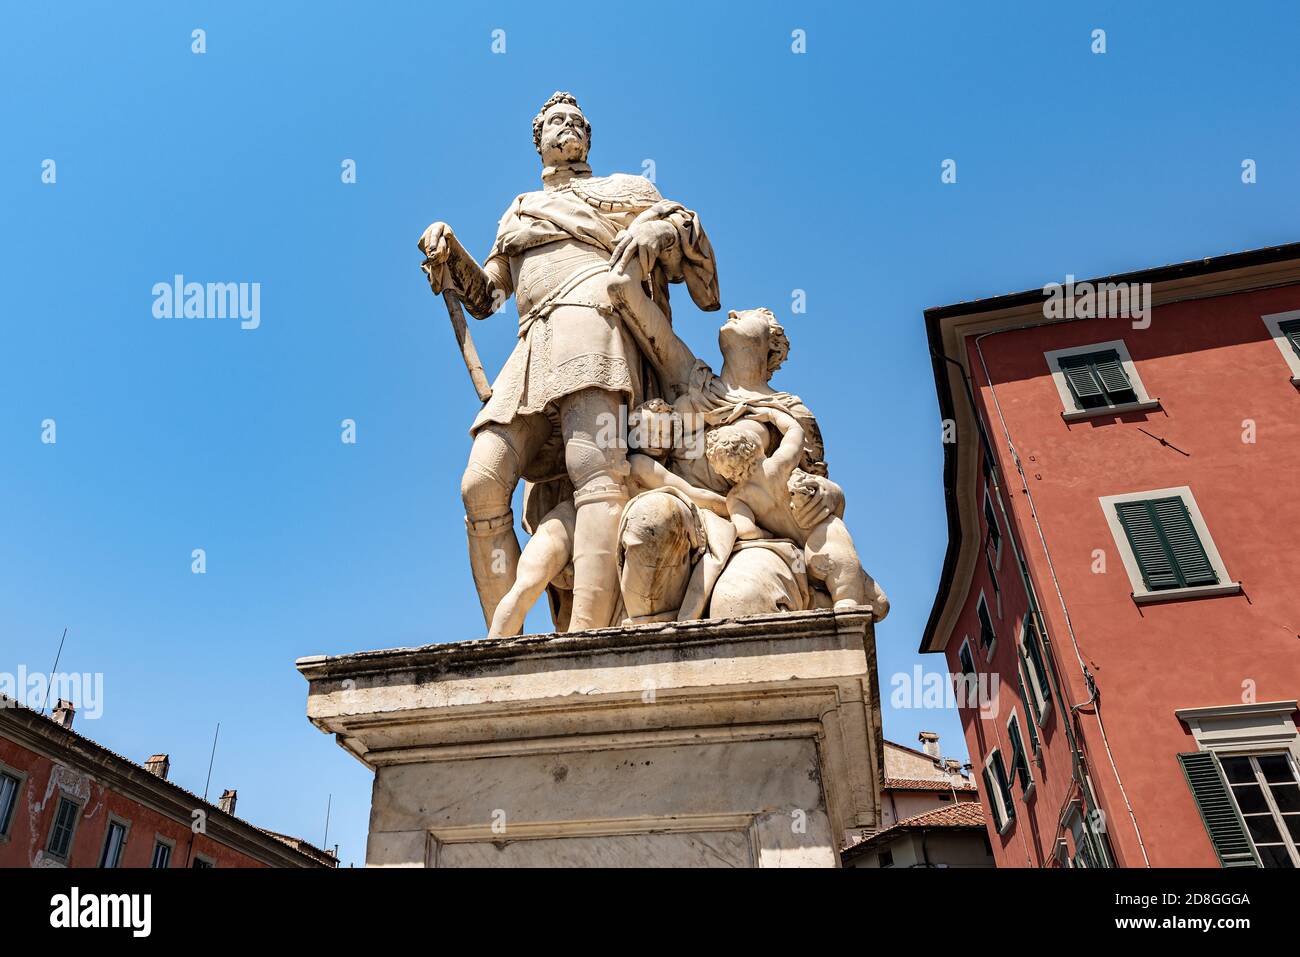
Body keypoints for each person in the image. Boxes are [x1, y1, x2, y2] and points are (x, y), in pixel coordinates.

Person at [417, 92, 719, 632]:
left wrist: (659, 229)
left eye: (577, 122)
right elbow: (488, 298)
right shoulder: (519, 208)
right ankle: (503, 649)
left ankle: (584, 637)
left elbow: (687, 234)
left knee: (594, 471)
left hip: (592, 321)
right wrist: (450, 250)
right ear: (539, 140)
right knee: (480, 484)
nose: (568, 127)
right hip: (531, 344)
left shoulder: (624, 189)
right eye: (556, 121)